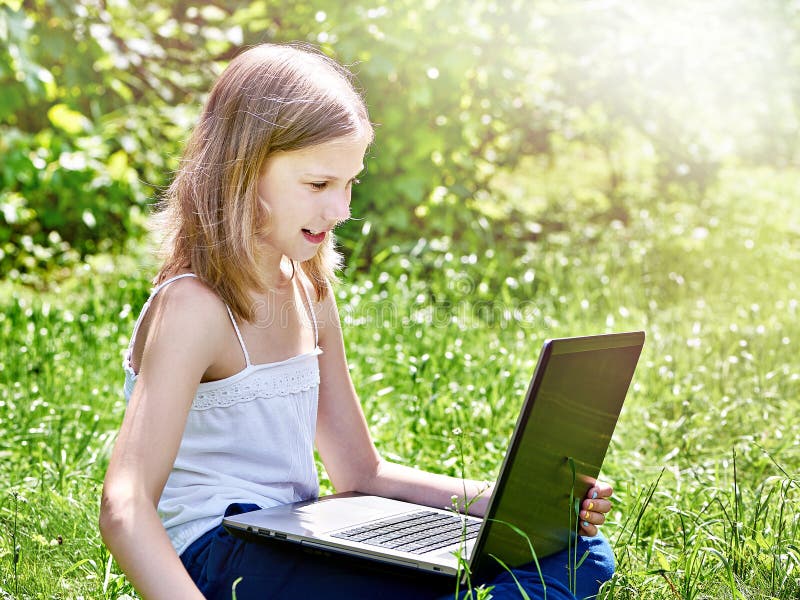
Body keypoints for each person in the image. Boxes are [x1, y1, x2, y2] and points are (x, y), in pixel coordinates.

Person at [99, 43, 615, 600]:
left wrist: (508, 508)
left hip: (298, 531)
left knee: (578, 550)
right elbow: (124, 507)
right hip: (218, 556)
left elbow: (362, 474)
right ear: (242, 171)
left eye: (350, 184)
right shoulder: (193, 306)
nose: (340, 209)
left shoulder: (307, 287)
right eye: (319, 185)